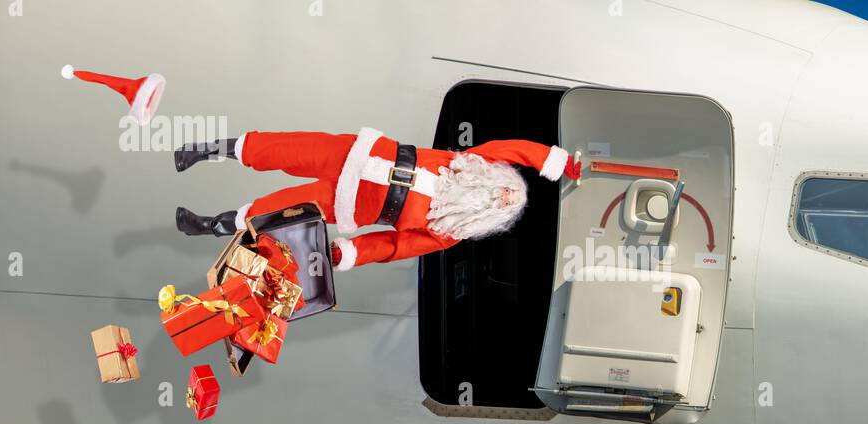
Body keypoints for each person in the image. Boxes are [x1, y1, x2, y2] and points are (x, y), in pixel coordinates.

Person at [172, 128, 580, 271]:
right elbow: (513, 149)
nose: (504, 195)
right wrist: (554, 162)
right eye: (508, 187)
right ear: (498, 173)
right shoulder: (465, 162)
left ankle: (207, 225)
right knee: (280, 148)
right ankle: (204, 149)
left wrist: (349, 253)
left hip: (347, 202)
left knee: (270, 212)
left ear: (492, 218)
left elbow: (394, 247)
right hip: (358, 153)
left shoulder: (449, 232)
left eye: (505, 202)